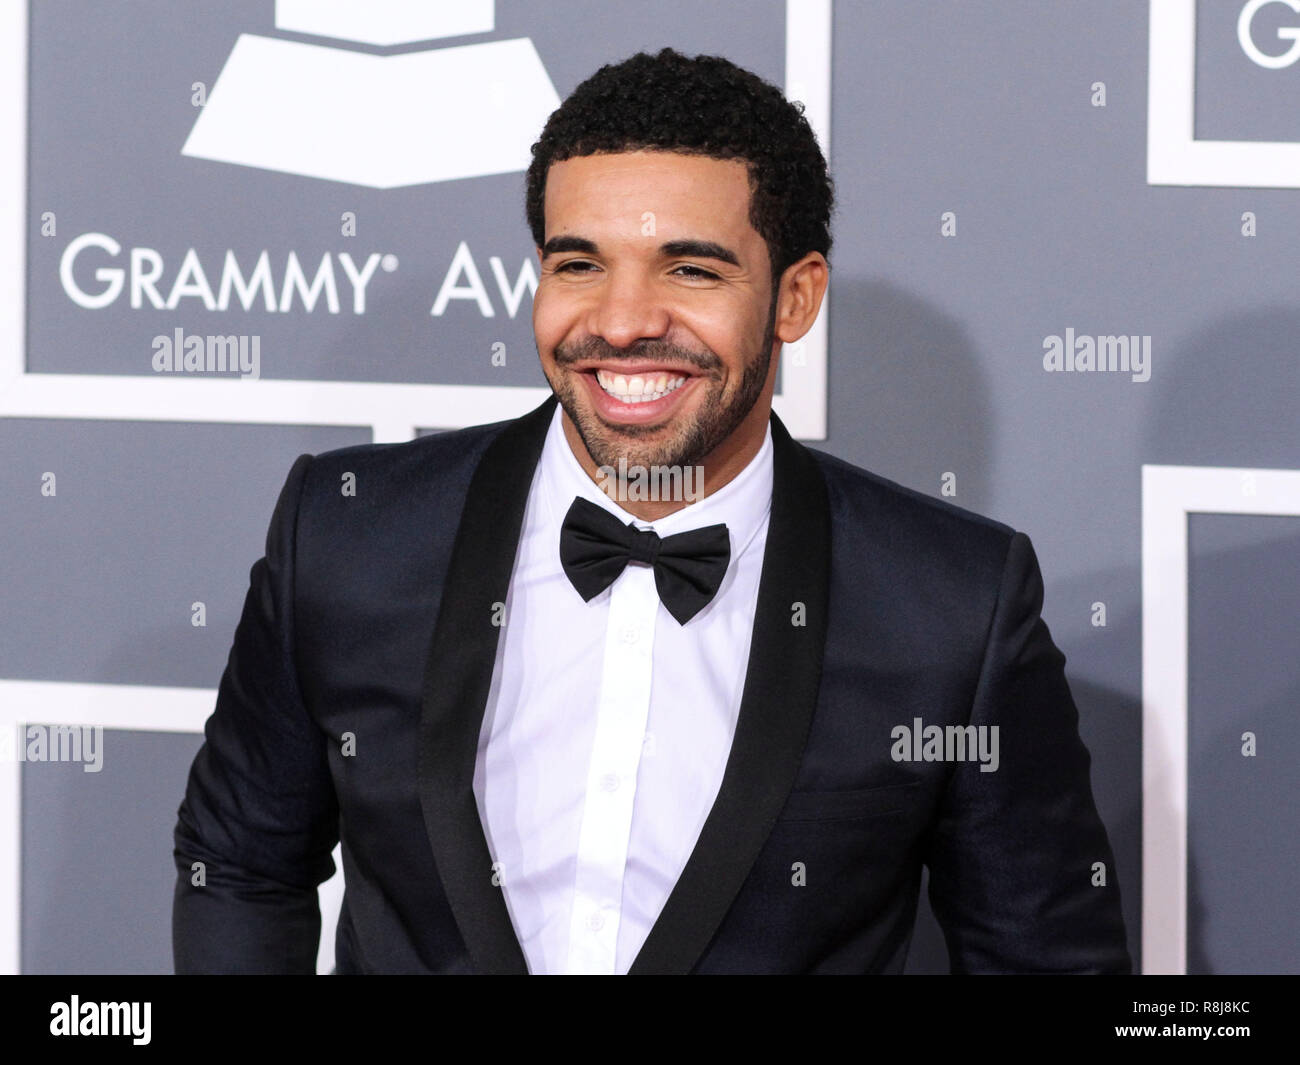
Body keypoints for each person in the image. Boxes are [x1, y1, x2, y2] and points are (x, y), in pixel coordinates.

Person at [172, 47, 1131, 974]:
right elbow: (242, 866)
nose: (623, 320)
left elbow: (1044, 956)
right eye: (579, 263)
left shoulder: (951, 607)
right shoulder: (347, 535)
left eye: (691, 269)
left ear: (795, 297)